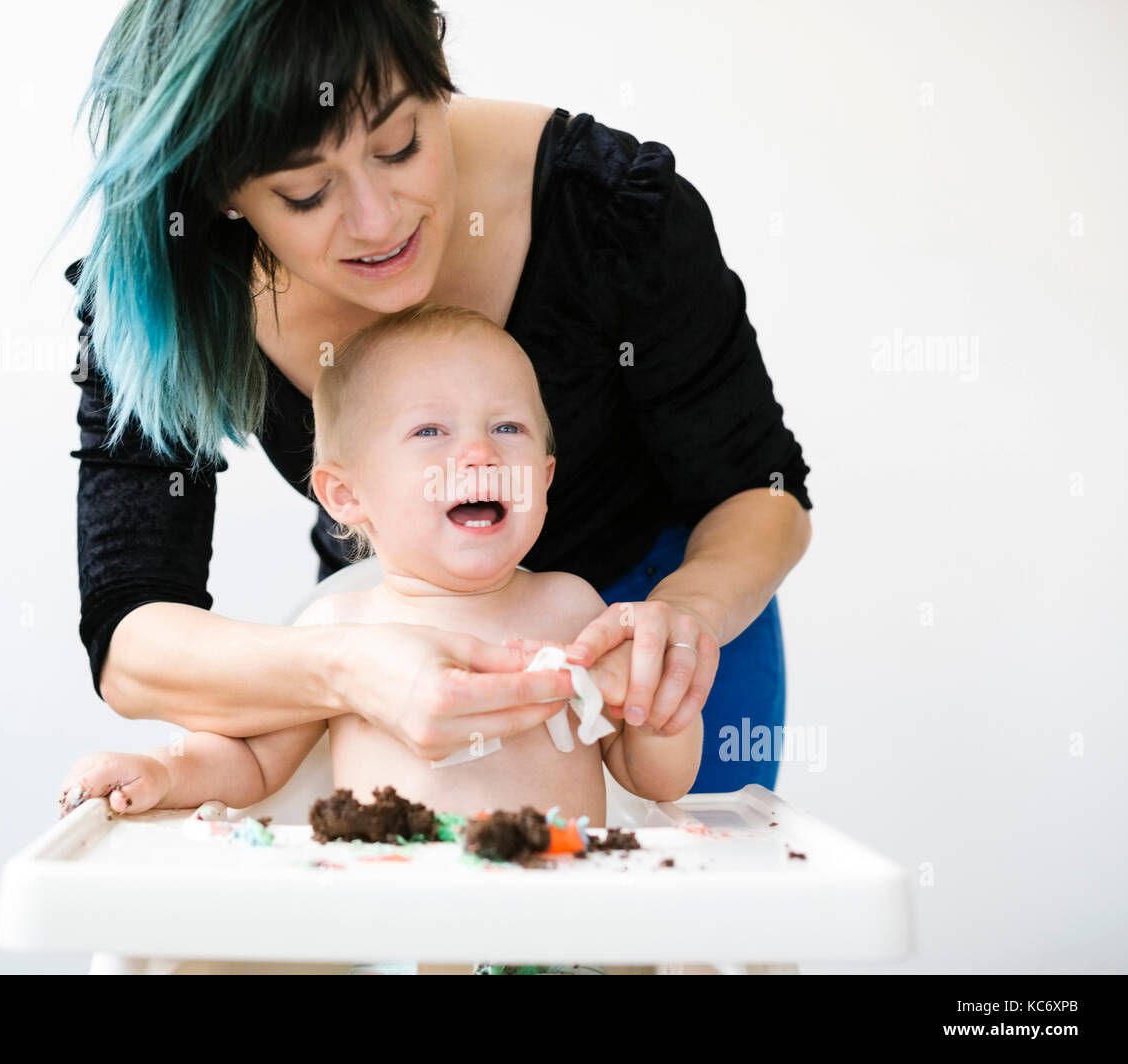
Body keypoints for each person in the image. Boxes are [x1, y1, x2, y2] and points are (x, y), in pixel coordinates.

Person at [58, 0, 812, 791]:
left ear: (438, 70)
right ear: (223, 192)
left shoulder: (612, 209)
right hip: (390, 638)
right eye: (307, 196)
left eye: (400, 145)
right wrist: (346, 667)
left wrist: (683, 621)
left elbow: (761, 490)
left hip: (666, 618)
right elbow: (131, 630)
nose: (378, 222)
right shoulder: (157, 299)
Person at [58, 301, 702, 824]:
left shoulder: (573, 610)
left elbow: (652, 780)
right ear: (347, 495)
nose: (479, 454)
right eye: (430, 432)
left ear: (545, 475)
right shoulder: (338, 628)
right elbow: (252, 766)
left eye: (508, 429)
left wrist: (664, 711)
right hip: (402, 926)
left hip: (560, 932)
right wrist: (166, 772)